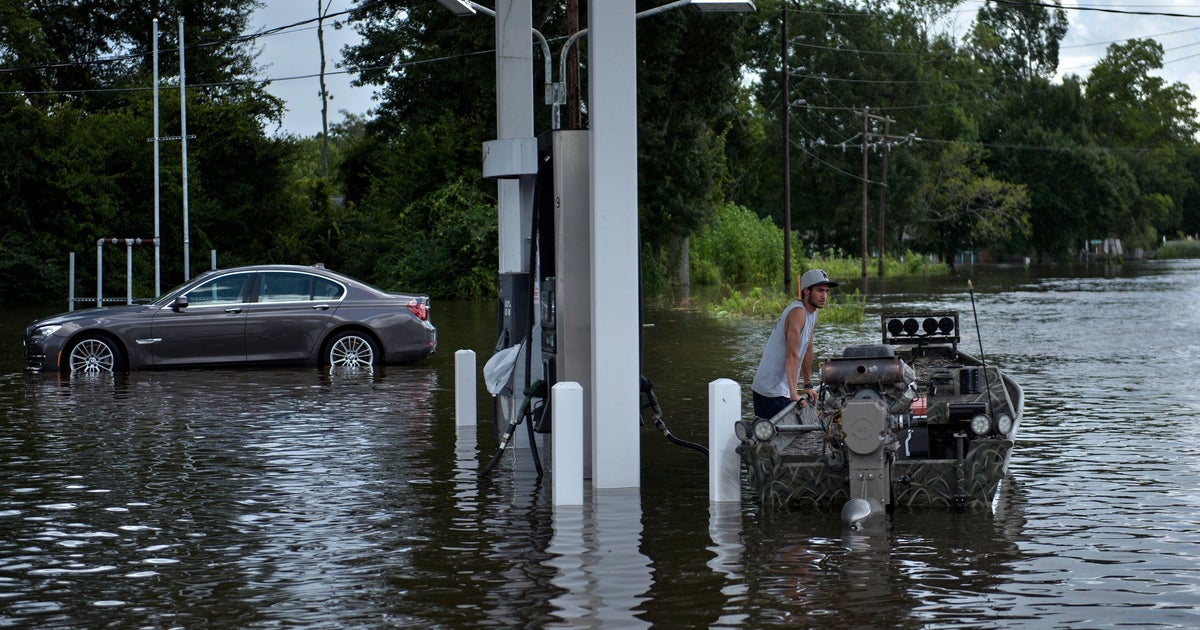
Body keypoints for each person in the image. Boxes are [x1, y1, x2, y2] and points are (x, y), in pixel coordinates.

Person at [750, 268, 839, 419]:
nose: (824, 296)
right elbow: (792, 354)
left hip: (782, 389)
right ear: (806, 291)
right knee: (775, 437)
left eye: (826, 291)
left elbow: (808, 350)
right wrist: (793, 393)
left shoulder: (813, 313)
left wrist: (808, 385)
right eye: (819, 291)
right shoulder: (798, 312)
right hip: (770, 390)